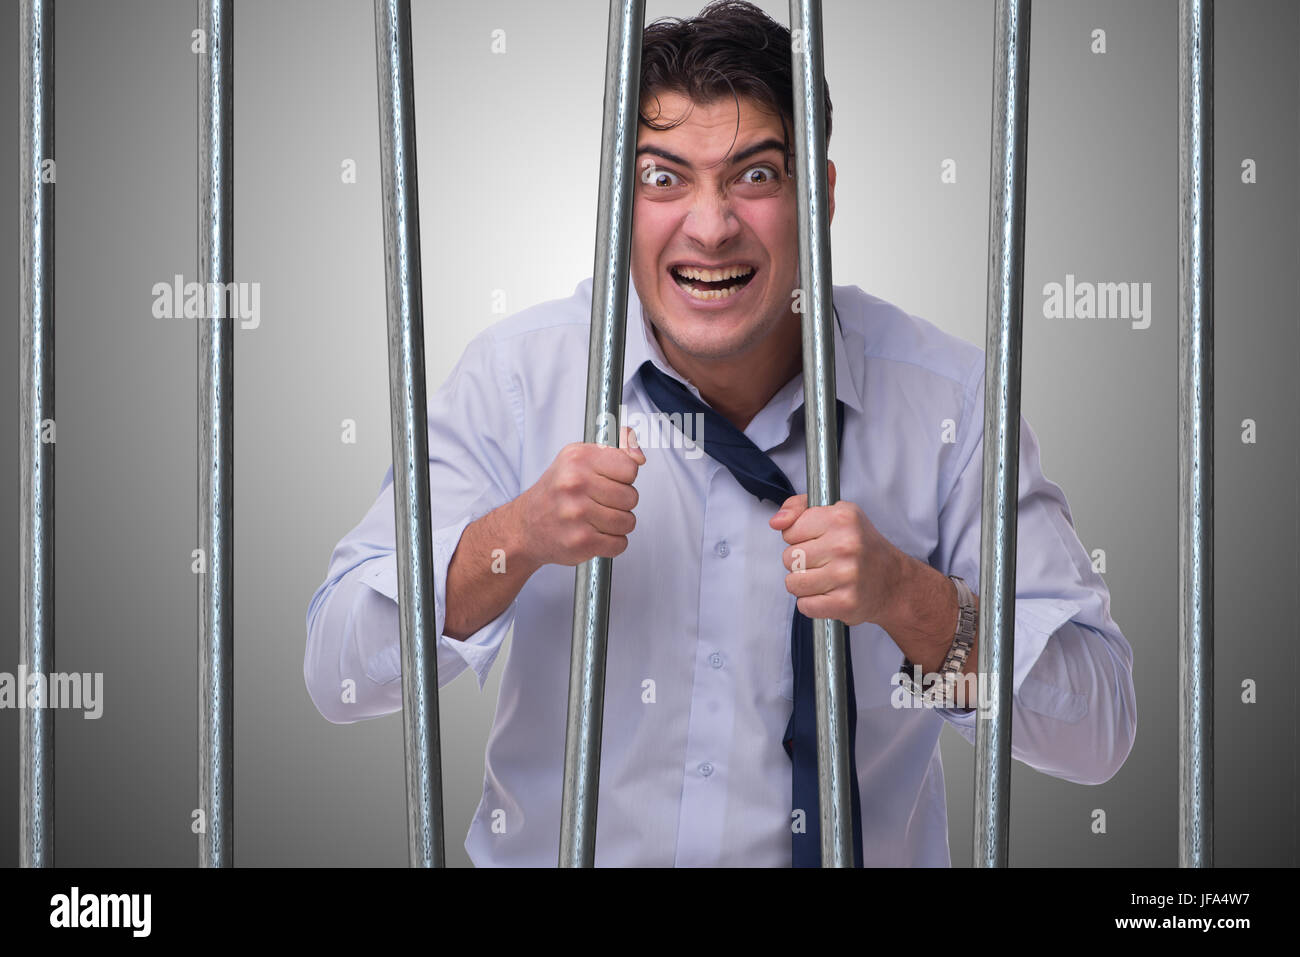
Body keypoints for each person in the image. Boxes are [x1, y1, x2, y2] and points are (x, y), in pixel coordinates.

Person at [304, 0, 1135, 866]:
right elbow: (338, 671)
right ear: (619, 201)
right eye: (663, 178)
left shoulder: (947, 402)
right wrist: (513, 540)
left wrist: (907, 599)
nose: (710, 225)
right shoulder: (520, 379)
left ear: (822, 195)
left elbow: (1100, 727)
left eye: (755, 176)